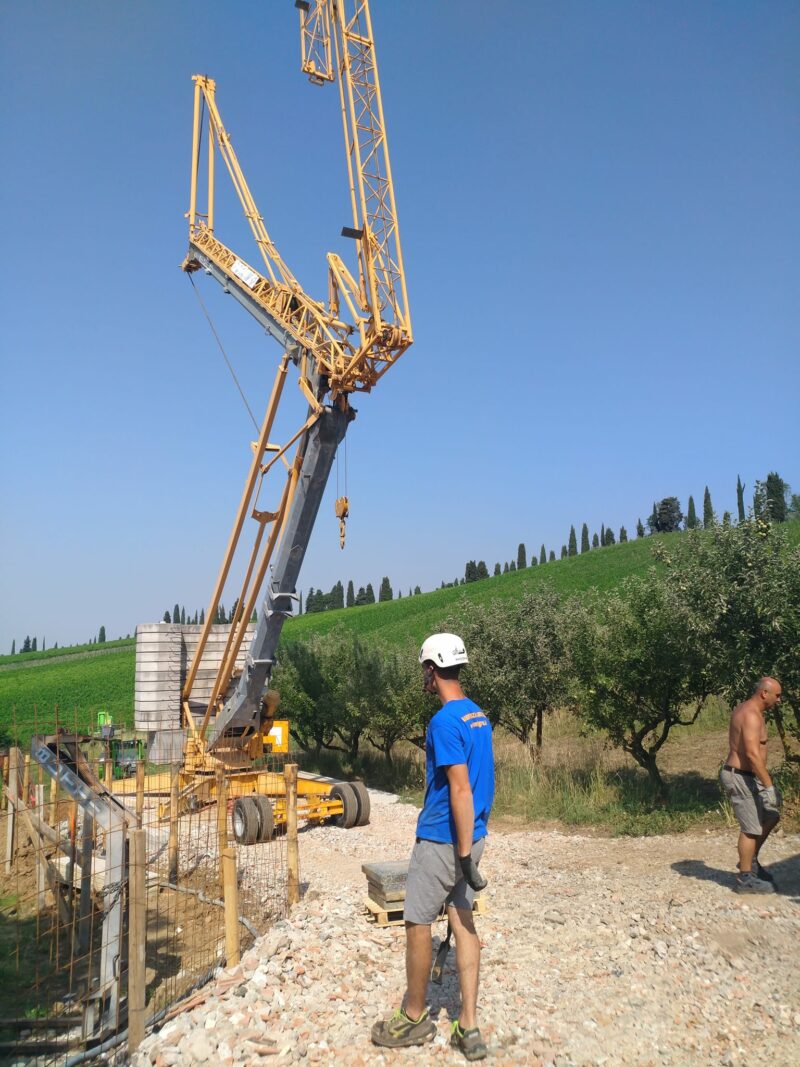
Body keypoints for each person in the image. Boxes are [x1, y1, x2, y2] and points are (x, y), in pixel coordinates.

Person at [371, 633, 495, 1061]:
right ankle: (470, 1026)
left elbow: (460, 789)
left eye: (424, 668)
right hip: (473, 836)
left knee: (417, 922)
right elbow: (481, 783)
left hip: (445, 839)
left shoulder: (443, 722)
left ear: (431, 669)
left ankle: (413, 1015)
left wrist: (459, 852)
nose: (423, 676)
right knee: (463, 922)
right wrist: (472, 846)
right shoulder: (478, 715)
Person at [719, 677, 783, 893]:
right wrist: (769, 786)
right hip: (740, 776)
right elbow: (752, 755)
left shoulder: (750, 711)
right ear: (764, 693)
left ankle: (750, 861)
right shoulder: (751, 715)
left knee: (771, 815)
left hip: (748, 776)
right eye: (777, 695)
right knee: (751, 827)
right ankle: (745, 879)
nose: (780, 700)